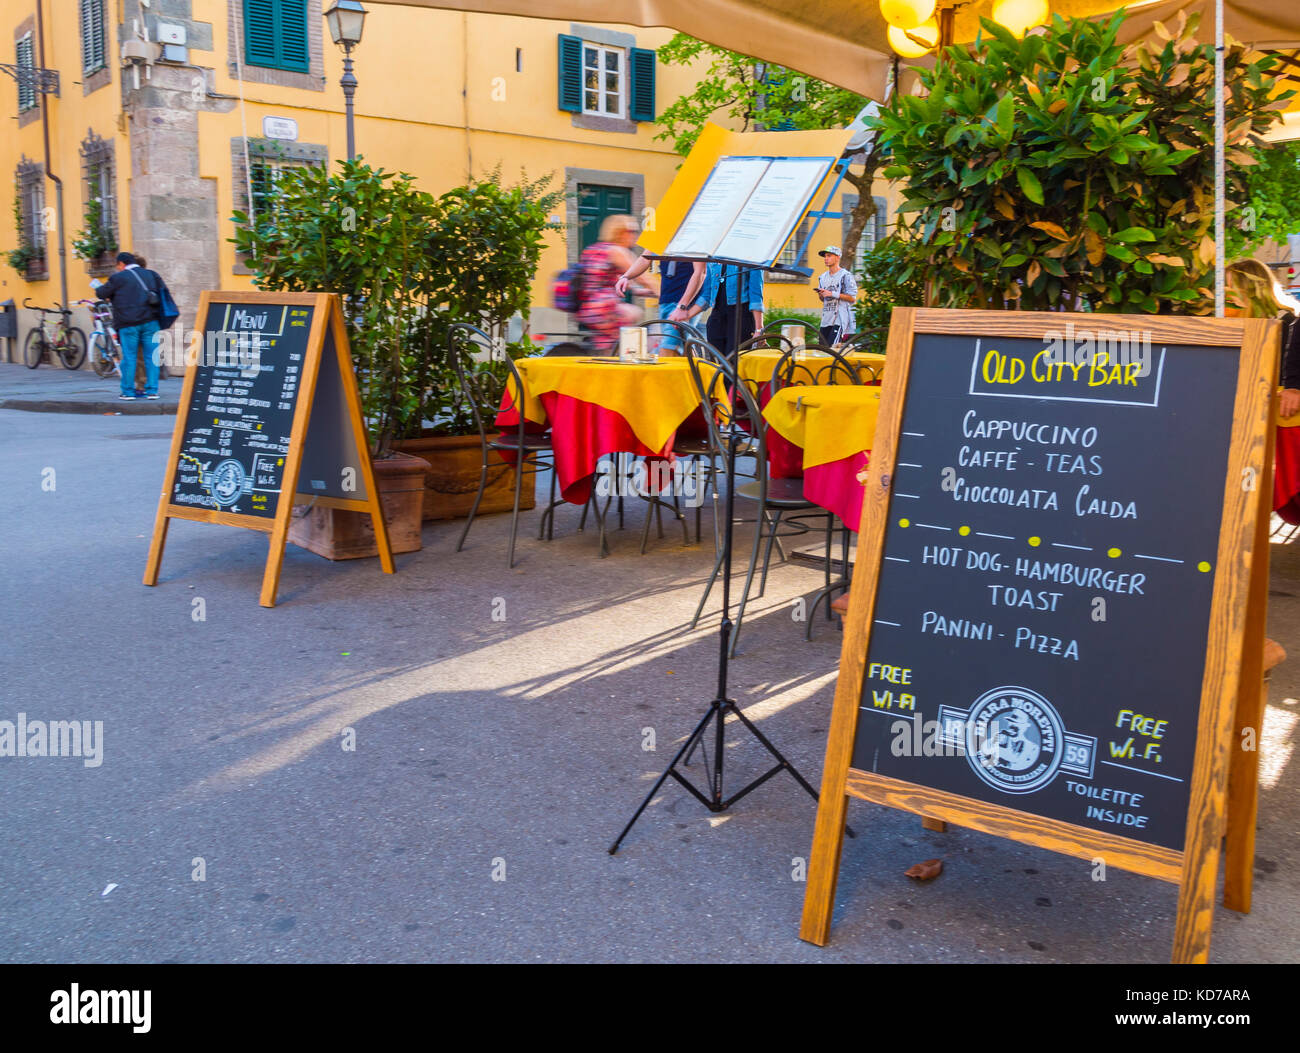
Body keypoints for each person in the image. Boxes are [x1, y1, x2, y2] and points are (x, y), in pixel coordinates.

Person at [94, 251, 173, 400]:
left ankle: (128, 392)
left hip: (128, 323)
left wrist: (98, 287)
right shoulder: (152, 274)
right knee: (151, 357)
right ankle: (152, 391)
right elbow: (163, 294)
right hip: (151, 322)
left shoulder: (118, 278)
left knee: (130, 357)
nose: (118, 268)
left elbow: (101, 293)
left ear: (122, 264)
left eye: (118, 266)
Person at [577, 215, 646, 354]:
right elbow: (643, 277)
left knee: (610, 345)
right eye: (632, 231)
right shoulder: (616, 251)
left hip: (586, 309)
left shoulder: (593, 249)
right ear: (620, 232)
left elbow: (629, 284)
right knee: (635, 313)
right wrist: (663, 293)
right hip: (604, 308)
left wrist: (642, 291)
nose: (635, 235)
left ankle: (607, 359)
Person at [615, 256, 706, 355]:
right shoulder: (661, 240)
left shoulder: (692, 241)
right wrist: (626, 277)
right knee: (682, 351)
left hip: (683, 303)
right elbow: (645, 258)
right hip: (666, 300)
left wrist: (682, 306)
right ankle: (694, 369)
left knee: (668, 350)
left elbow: (701, 272)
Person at [672, 262, 764, 358]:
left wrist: (759, 329)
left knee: (733, 365)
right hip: (716, 321)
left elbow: (756, 296)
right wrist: (686, 315)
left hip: (741, 321)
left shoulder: (752, 256)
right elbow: (707, 295)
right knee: (716, 365)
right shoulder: (715, 257)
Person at [815, 245, 858, 347]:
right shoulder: (822, 277)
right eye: (825, 256)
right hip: (826, 320)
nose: (826, 259)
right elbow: (823, 299)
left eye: (829, 256)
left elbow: (852, 298)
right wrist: (822, 295)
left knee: (832, 351)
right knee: (822, 350)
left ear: (838, 257)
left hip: (840, 319)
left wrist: (832, 293)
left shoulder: (845, 276)